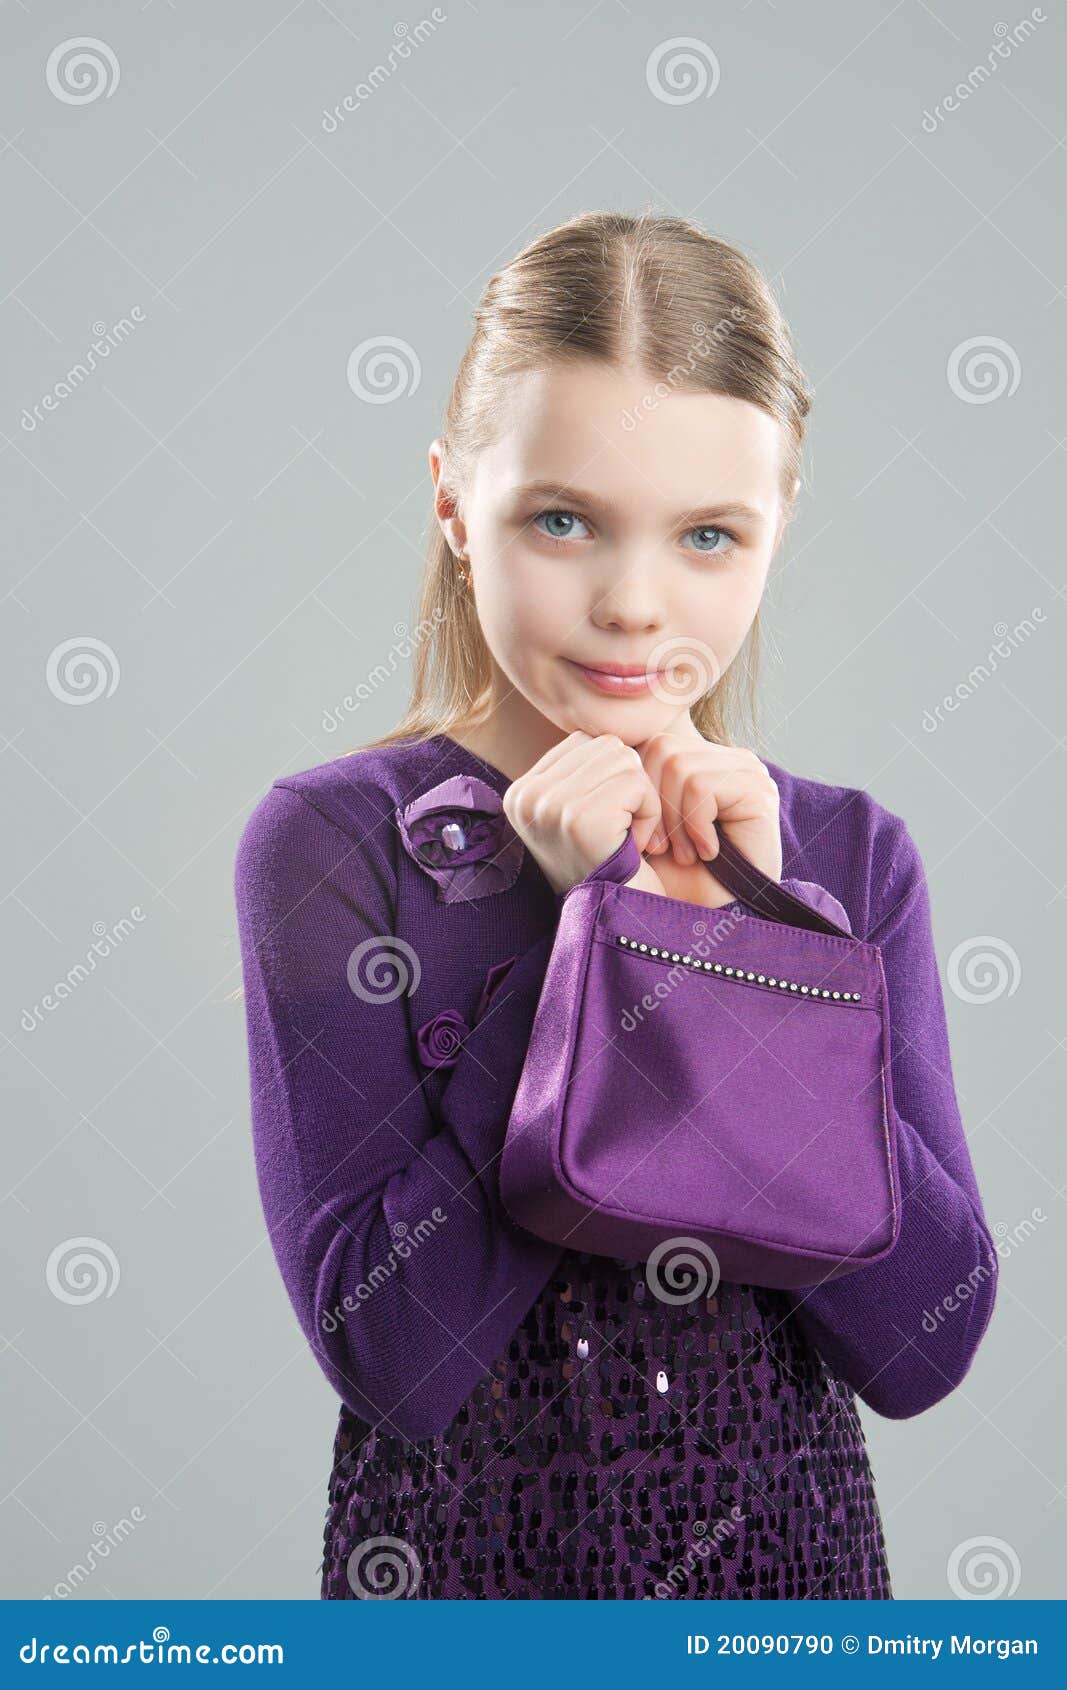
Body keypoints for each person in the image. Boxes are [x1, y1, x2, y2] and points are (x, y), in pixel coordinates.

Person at [233, 211, 997, 1600]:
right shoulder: (343, 844)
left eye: (708, 534)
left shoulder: (848, 857)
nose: (636, 602)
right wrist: (587, 929)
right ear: (457, 504)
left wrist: (759, 946)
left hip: (786, 1599)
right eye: (564, 518)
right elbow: (395, 1350)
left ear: (778, 526)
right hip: (466, 1596)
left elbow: (921, 1345)